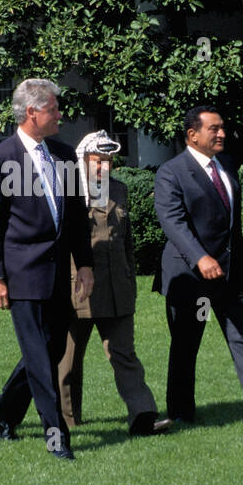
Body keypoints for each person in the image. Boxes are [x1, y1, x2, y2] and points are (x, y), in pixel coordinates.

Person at [153, 106, 243, 428]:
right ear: (192, 135)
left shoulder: (227, 166)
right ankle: (180, 412)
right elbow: (173, 222)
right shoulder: (171, 172)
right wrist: (200, 257)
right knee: (186, 345)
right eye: (214, 129)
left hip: (230, 274)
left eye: (222, 128)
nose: (222, 134)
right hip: (189, 277)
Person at [0, 79, 93, 461]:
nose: (60, 115)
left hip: (59, 271)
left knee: (51, 347)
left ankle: (3, 409)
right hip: (22, 273)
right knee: (41, 357)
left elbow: (75, 216)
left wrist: (86, 264)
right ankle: (56, 435)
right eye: (53, 109)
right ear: (32, 113)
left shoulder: (63, 154)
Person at [56, 130, 171, 437]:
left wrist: (130, 279)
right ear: (83, 160)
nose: (104, 168)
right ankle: (66, 423)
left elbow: (126, 242)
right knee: (66, 362)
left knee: (125, 355)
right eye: (98, 161)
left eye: (108, 161)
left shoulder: (119, 190)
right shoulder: (67, 191)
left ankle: (143, 415)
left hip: (117, 290)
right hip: (75, 291)